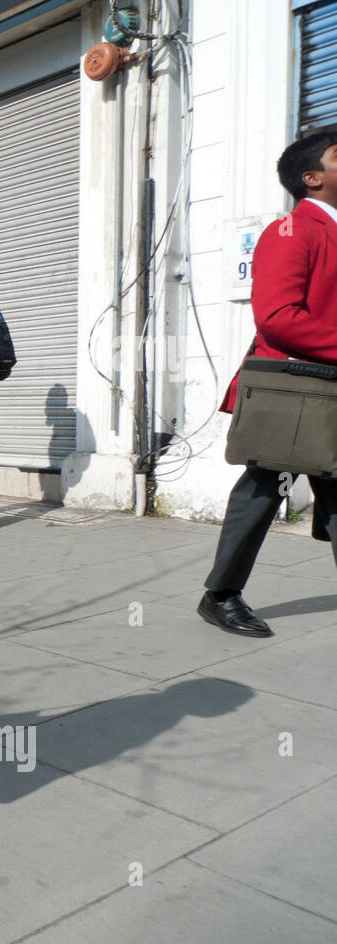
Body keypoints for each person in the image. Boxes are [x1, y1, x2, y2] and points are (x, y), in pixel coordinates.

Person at [199, 126, 337, 637]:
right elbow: (278, 316)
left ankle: (221, 593)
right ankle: (221, 596)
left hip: (329, 386)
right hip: (295, 392)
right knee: (264, 489)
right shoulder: (291, 231)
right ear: (311, 178)